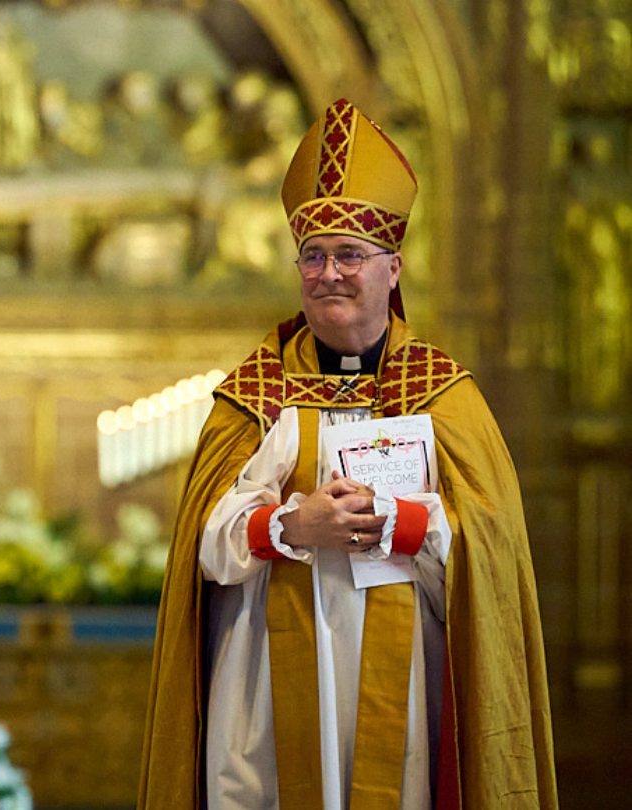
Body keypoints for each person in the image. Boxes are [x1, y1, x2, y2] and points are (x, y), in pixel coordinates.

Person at [138, 99, 558, 809]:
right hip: (264, 692)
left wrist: (406, 523)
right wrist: (288, 527)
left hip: (406, 693)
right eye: (313, 255)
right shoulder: (254, 394)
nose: (329, 272)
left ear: (391, 269)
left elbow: (493, 550)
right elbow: (202, 546)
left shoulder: (442, 394)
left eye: (350, 256)